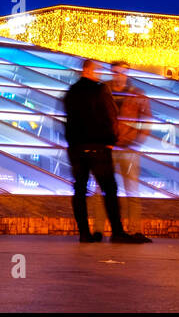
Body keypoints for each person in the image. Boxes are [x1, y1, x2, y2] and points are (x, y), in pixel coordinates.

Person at [64, 59, 149, 243]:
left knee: (81, 190)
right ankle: (113, 232)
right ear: (87, 70)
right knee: (108, 189)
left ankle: (86, 234)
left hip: (82, 148)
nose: (101, 73)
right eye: (99, 70)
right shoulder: (101, 89)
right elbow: (109, 116)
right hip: (100, 148)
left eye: (122, 72)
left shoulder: (72, 92)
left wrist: (136, 141)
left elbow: (68, 120)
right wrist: (110, 141)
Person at [109, 61, 151, 236]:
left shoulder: (138, 94)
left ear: (127, 74)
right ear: (112, 73)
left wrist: (136, 141)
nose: (119, 75)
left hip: (129, 148)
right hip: (109, 147)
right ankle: (103, 230)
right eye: (116, 72)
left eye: (123, 72)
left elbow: (147, 120)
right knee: (104, 191)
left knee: (132, 190)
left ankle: (135, 230)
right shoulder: (104, 91)